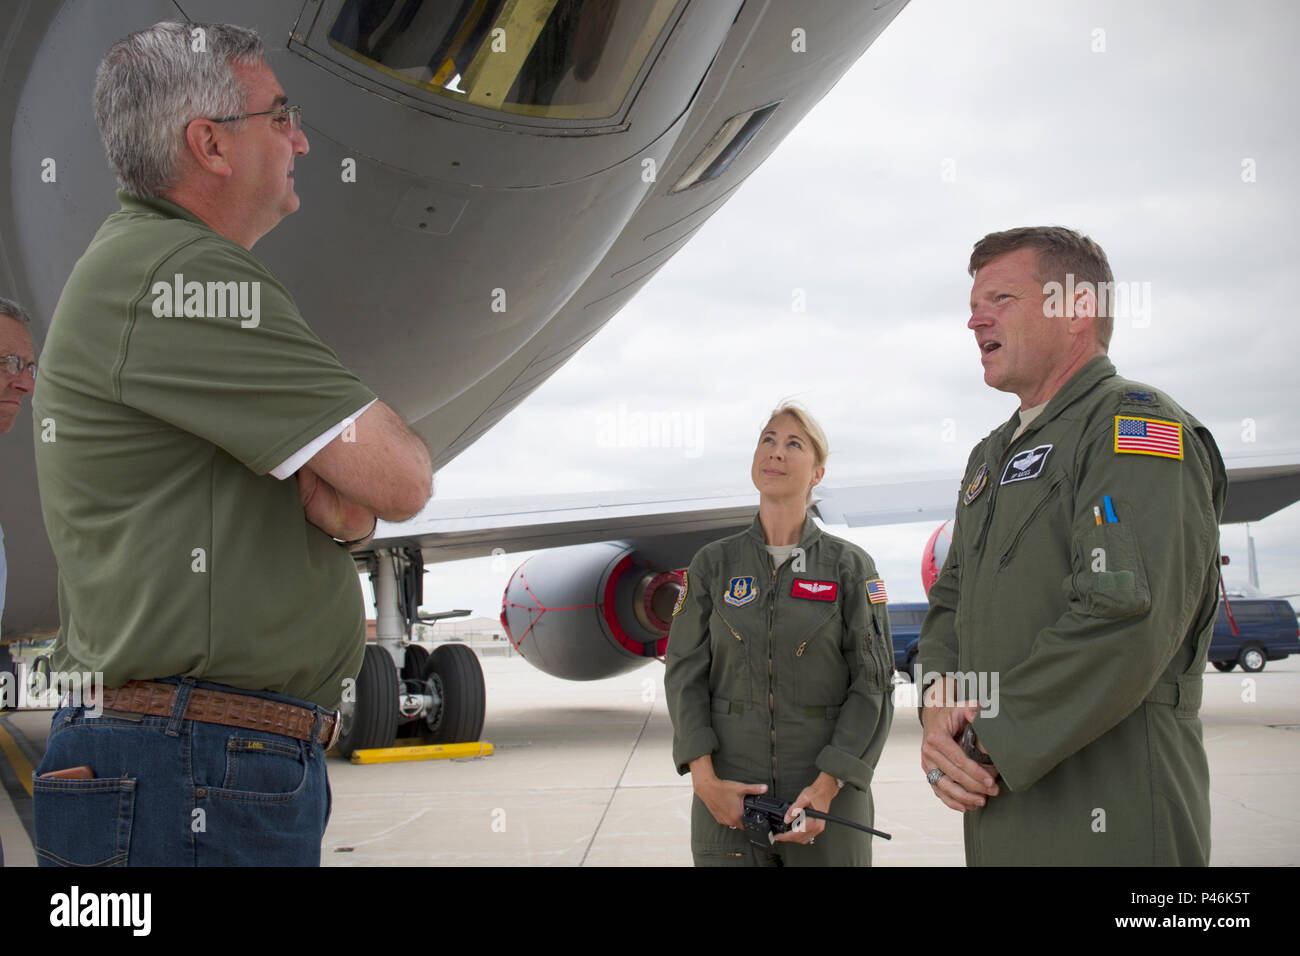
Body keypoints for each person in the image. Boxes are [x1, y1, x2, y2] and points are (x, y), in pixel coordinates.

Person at [30, 22, 432, 866]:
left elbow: (357, 504)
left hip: (181, 760)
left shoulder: (152, 267)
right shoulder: (184, 279)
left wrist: (347, 523)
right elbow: (401, 478)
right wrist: (355, 508)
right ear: (209, 143)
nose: (302, 139)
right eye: (279, 116)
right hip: (188, 766)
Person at [917, 226, 1226, 866]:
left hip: (1111, 813)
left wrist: (986, 740)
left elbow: (1125, 621)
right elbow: (952, 600)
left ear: (1076, 309)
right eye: (974, 305)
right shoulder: (991, 457)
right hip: (1001, 806)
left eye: (1001, 298)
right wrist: (938, 704)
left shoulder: (1133, 427)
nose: (975, 320)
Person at [665, 403, 895, 865]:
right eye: (767, 440)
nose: (776, 453)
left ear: (817, 472)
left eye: (794, 444)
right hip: (728, 798)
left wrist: (828, 786)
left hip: (825, 801)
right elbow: (684, 674)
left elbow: (872, 686)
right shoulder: (713, 565)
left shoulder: (849, 567)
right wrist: (705, 782)